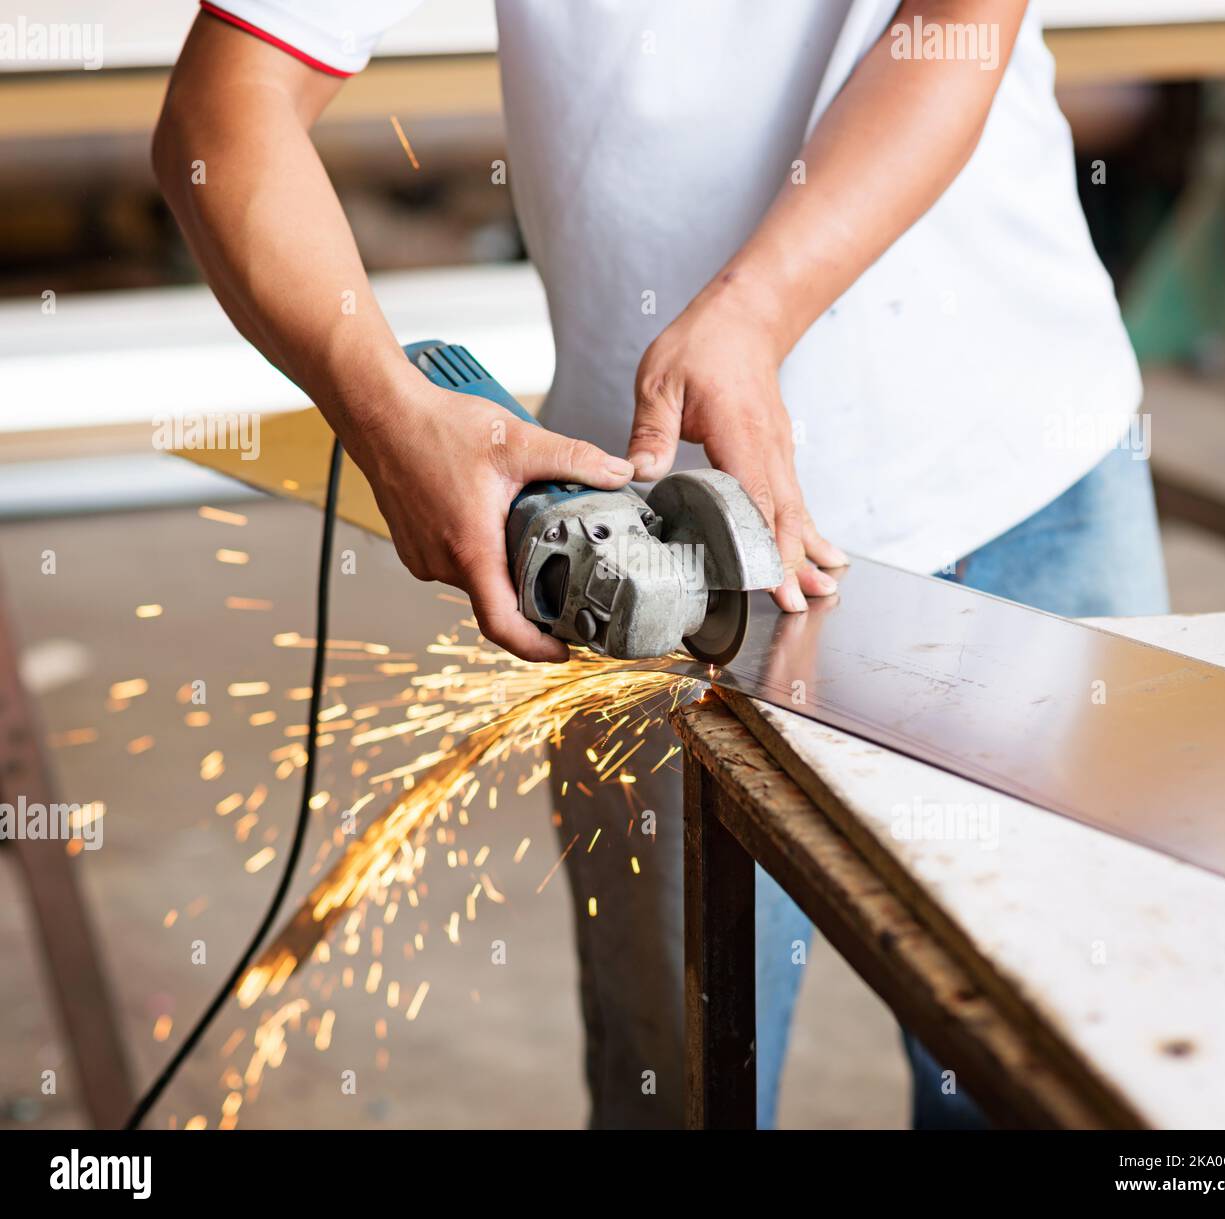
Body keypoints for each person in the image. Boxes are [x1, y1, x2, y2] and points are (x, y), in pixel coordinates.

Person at [153, 0, 1167, 1128]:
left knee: (1066, 1075)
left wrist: (757, 308)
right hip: (645, 540)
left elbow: (959, 25)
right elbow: (221, 112)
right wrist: (385, 410)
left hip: (1027, 466)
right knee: (679, 1087)